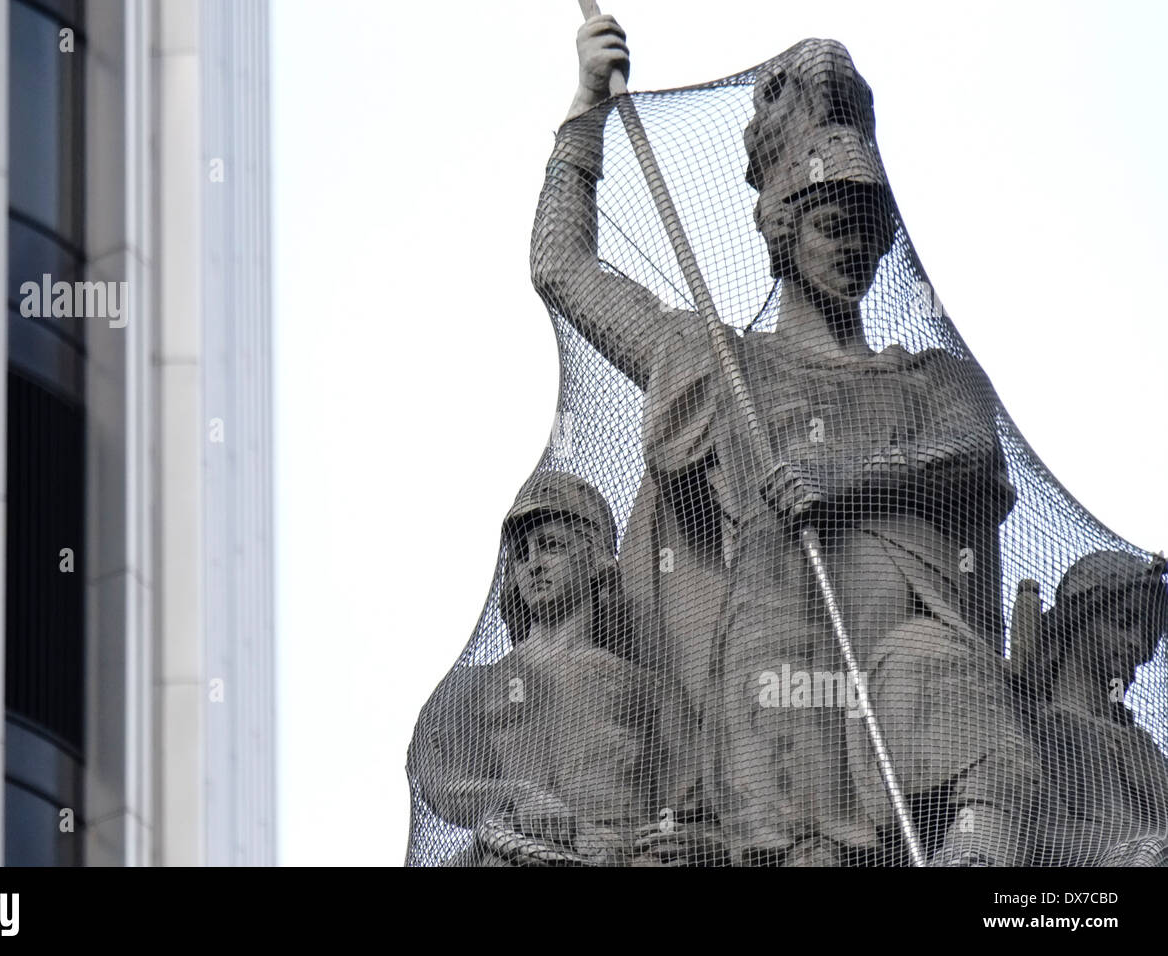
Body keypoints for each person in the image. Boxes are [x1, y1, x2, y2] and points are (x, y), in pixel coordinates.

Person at [530, 15, 1038, 864]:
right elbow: (562, 269)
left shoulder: (934, 378)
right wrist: (584, 114)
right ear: (780, 230)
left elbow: (974, 461)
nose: (855, 248)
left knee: (960, 707)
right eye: (833, 223)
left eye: (868, 230)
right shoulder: (717, 364)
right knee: (786, 765)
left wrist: (840, 482)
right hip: (779, 637)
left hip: (912, 634)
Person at [407, 472, 706, 865]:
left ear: (595, 558)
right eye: (521, 555)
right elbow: (440, 780)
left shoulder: (649, 691)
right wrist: (519, 796)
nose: (532, 565)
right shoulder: (470, 686)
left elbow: (693, 808)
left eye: (551, 546)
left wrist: (693, 841)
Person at [1028, 552, 1168, 866]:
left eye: (1148, 637)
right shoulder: (1045, 728)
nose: (1138, 645)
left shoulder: (1144, 747)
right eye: (1123, 621)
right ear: (1079, 617)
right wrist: (1143, 847)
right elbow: (1040, 834)